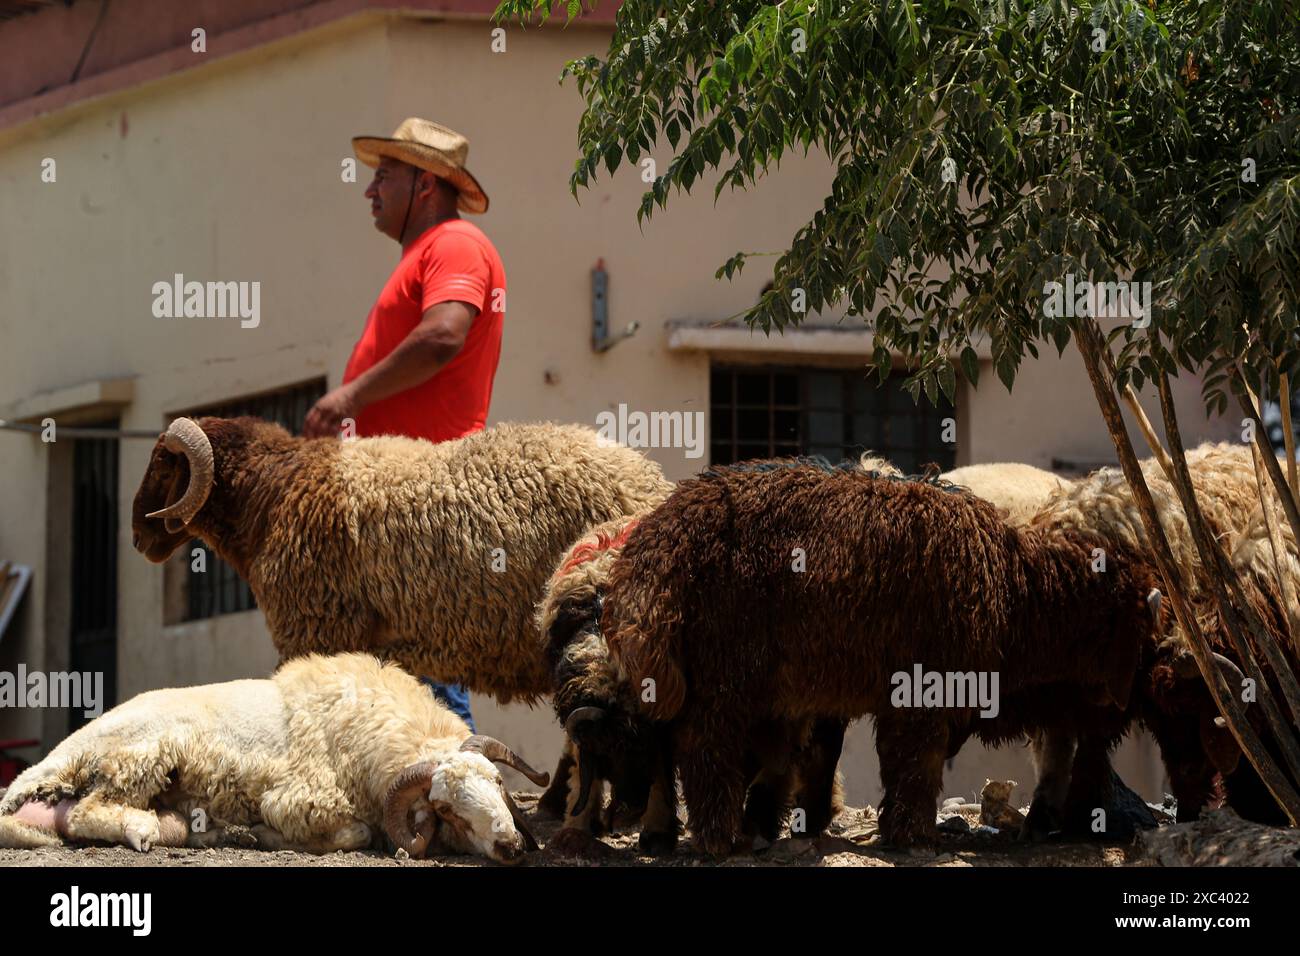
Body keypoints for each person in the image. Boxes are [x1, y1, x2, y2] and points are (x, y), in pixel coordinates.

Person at [304, 118, 507, 731]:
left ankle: (458, 800)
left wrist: (349, 398)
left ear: (426, 184)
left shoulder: (455, 244)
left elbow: (444, 334)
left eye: (384, 176)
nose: (370, 190)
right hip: (399, 497)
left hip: (424, 495)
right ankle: (432, 802)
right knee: (406, 665)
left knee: (429, 665)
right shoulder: (423, 255)